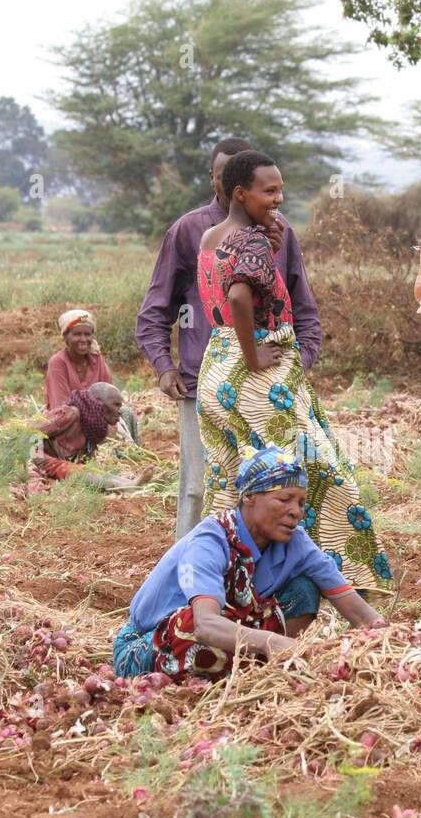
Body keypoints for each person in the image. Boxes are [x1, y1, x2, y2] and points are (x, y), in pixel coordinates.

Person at [196, 150, 394, 601]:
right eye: (269, 191)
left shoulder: (211, 235)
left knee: (234, 482)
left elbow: (228, 296)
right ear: (240, 193)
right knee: (316, 475)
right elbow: (242, 298)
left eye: (281, 189)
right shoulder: (249, 239)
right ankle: (346, 588)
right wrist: (254, 356)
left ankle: (234, 589)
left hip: (216, 369)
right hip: (255, 380)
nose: (279, 198)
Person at [136, 138, 322, 541]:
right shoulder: (190, 230)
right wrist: (164, 367)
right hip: (203, 382)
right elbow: (156, 309)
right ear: (220, 181)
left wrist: (298, 362)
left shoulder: (279, 232)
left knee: (271, 487)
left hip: (267, 386)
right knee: (202, 488)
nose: (276, 200)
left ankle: (256, 586)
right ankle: (193, 580)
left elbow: (301, 304)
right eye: (222, 177)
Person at [113, 444, 387, 680]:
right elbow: (205, 625)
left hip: (232, 639)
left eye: (301, 503)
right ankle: (260, 663)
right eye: (284, 499)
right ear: (249, 497)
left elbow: (359, 612)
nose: (296, 512)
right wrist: (274, 641)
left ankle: (269, 668)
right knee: (189, 627)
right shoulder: (212, 539)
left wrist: (393, 644)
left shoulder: (296, 542)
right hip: (149, 644)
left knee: (303, 589)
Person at [34, 382, 152, 490]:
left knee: (91, 472)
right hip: (43, 460)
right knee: (80, 473)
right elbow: (30, 432)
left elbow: (85, 462)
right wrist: (39, 458)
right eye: (116, 405)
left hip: (62, 466)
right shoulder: (70, 413)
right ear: (98, 403)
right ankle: (128, 485)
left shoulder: (93, 429)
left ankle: (131, 483)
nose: (120, 411)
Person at [46, 309, 139, 443]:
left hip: (101, 421)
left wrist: (108, 422)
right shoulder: (58, 363)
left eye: (87, 334)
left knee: (126, 413)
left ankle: (129, 455)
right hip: (69, 424)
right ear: (65, 337)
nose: (83, 339)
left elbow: (112, 398)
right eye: (77, 334)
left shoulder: (97, 359)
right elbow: (61, 409)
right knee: (73, 415)